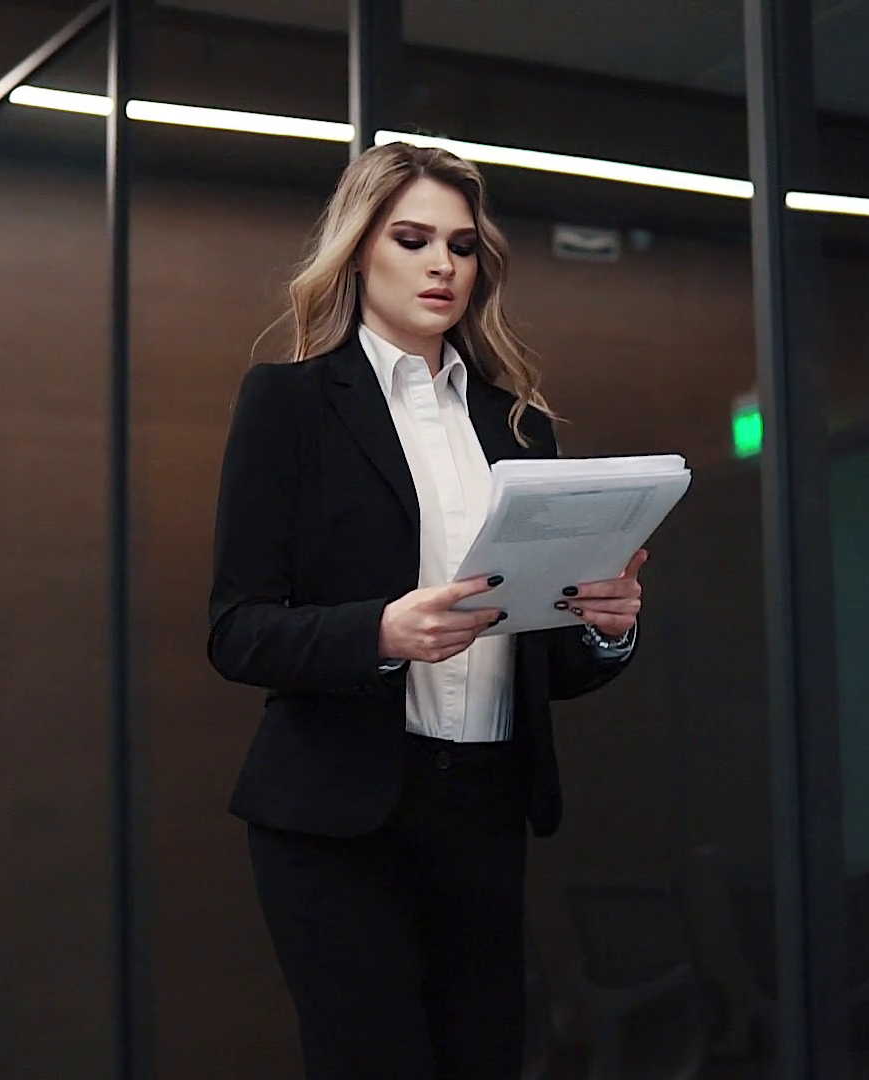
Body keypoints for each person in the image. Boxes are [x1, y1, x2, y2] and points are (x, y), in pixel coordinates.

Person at [206, 143, 645, 1078]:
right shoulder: (289, 404)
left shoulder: (519, 425)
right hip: (338, 816)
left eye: (462, 245)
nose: (443, 264)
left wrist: (605, 627)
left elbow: (543, 657)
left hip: (484, 807)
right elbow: (236, 629)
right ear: (360, 250)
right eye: (413, 240)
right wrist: (380, 632)